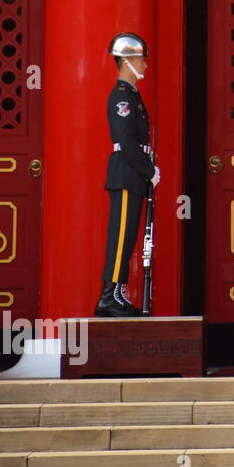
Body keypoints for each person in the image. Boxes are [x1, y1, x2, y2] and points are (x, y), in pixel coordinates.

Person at [96, 33, 158, 317]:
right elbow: (126, 138)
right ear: (127, 61)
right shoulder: (121, 96)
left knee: (129, 236)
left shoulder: (132, 95)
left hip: (133, 172)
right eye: (141, 59)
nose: (145, 64)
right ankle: (109, 297)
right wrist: (148, 169)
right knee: (121, 237)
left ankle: (117, 293)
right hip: (126, 170)